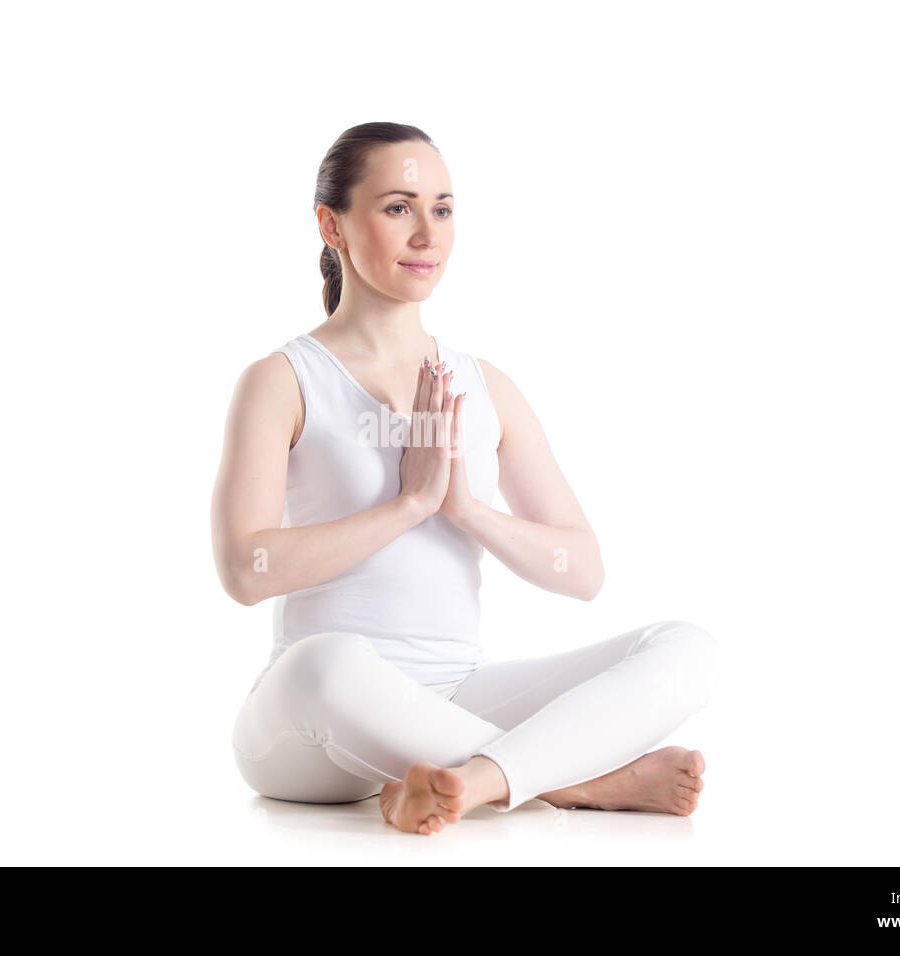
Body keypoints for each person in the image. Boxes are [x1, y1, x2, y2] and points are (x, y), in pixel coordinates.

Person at [211, 122, 719, 836]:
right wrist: (409, 502)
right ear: (332, 224)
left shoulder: (487, 386)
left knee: (686, 645)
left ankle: (476, 779)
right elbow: (244, 570)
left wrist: (466, 508)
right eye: (398, 208)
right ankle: (576, 782)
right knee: (325, 663)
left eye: (442, 209)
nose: (427, 234)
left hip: (456, 697)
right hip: (310, 724)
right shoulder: (283, 381)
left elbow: (583, 572)